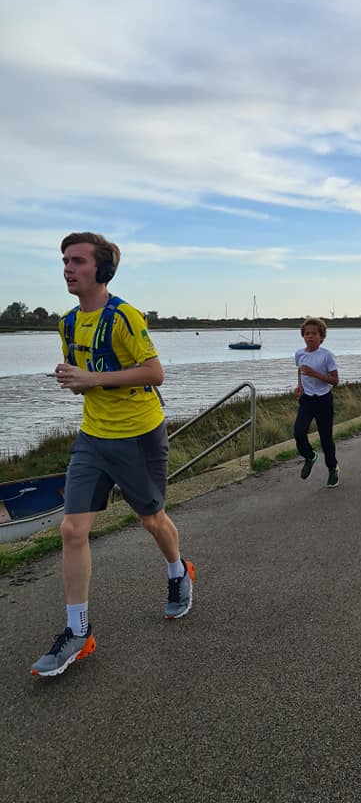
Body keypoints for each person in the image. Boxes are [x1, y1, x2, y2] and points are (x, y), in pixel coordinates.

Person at [32, 233, 194, 678]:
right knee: (72, 529)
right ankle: (78, 631)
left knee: (150, 519)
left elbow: (154, 372)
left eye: (78, 261)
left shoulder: (124, 316)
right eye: (64, 260)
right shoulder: (66, 323)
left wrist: (91, 379)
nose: (68, 268)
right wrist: (75, 379)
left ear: (102, 271)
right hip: (92, 437)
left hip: (138, 436)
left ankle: (179, 571)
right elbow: (86, 377)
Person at [294, 317, 340, 488]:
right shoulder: (299, 354)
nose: (310, 337)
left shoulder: (326, 356)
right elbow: (300, 370)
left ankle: (333, 469)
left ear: (321, 337)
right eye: (307, 334)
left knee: (326, 440)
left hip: (323, 401)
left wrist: (315, 374)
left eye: (314, 334)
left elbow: (335, 381)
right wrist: (299, 386)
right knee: (299, 432)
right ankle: (310, 456)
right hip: (306, 400)